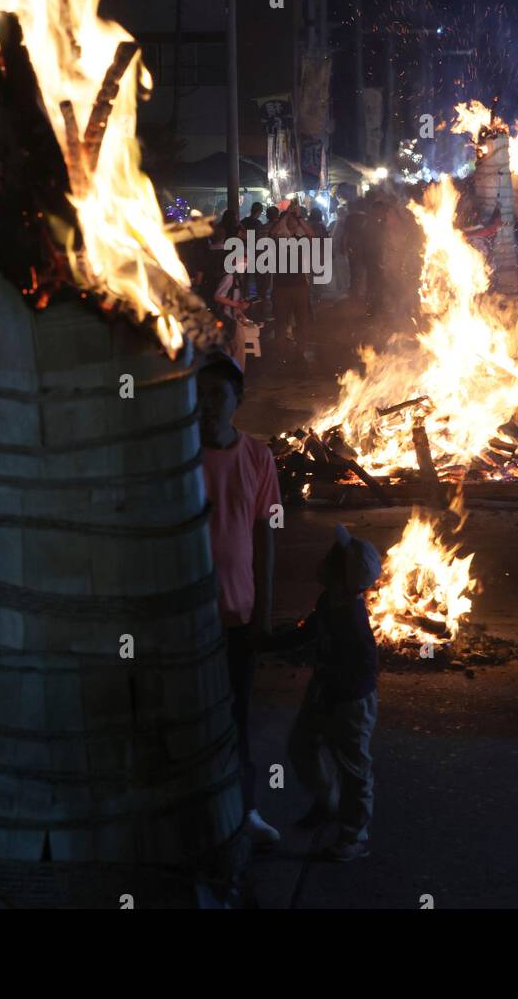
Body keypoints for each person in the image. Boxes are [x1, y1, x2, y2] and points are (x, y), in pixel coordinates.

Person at [196, 352, 281, 845]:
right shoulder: (179, 454)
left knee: (237, 719)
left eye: (216, 396)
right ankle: (200, 816)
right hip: (189, 619)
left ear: (237, 402)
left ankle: (244, 811)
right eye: (199, 394)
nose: (206, 405)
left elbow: (267, 532)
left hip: (237, 613)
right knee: (191, 721)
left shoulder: (257, 456)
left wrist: (264, 610)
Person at [262, 524, 380, 863]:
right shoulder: (330, 600)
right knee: (301, 746)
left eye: (333, 556)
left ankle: (354, 836)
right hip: (326, 691)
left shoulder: (354, 622)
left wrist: (332, 695)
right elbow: (311, 630)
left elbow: (363, 672)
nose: (325, 557)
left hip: (351, 703)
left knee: (355, 770)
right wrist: (272, 643)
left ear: (343, 576)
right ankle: (328, 801)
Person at [268, 202, 314, 361]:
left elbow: (311, 234)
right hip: (281, 287)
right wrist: (287, 214)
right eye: (290, 221)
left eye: (294, 221)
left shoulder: (300, 239)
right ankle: (281, 351)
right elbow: (272, 232)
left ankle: (300, 349)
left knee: (302, 319)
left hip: (299, 286)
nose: (292, 222)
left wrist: (299, 216)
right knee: (280, 320)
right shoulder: (279, 240)